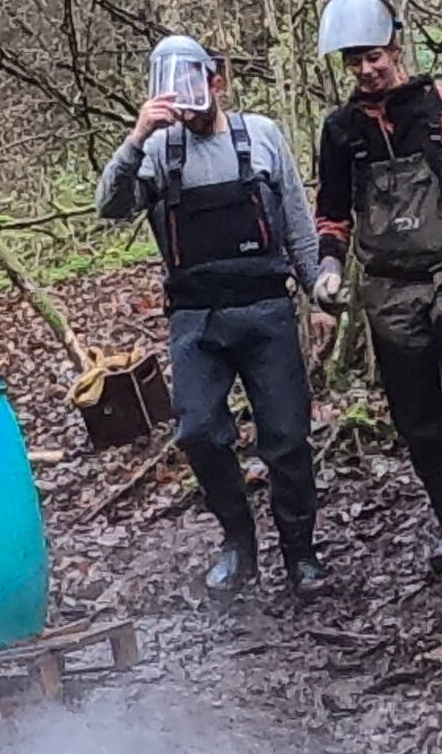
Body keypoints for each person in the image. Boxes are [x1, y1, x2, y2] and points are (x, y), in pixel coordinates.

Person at [94, 34, 330, 599]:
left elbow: (298, 224)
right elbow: (110, 206)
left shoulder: (262, 136)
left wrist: (319, 297)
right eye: (173, 88)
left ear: (216, 82)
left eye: (195, 84)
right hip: (196, 319)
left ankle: (300, 553)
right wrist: (137, 138)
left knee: (287, 437)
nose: (186, 99)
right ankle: (238, 542)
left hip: (267, 311)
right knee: (199, 431)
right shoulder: (158, 151)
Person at [311, 0, 442, 574]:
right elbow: (332, 211)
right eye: (354, 61)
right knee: (417, 413)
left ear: (395, 49)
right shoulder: (340, 130)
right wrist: (329, 266)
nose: (366, 69)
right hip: (389, 289)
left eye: (374, 56)